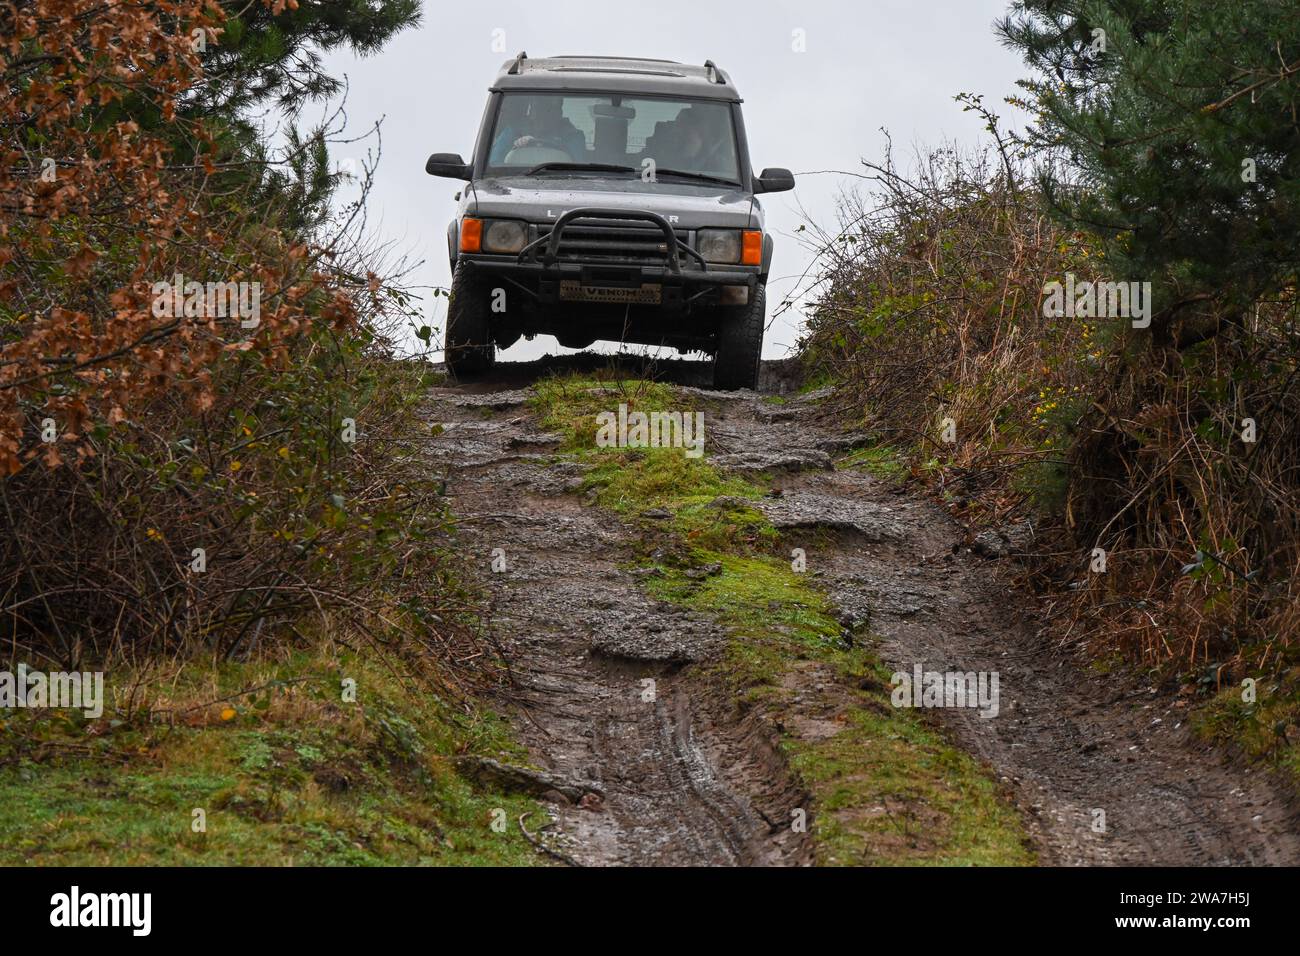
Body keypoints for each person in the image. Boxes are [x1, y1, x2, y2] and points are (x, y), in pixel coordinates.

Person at [489, 96, 586, 164]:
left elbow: (577, 167)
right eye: (537, 108)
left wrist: (535, 142)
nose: (541, 115)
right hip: (516, 179)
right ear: (531, 112)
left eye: (548, 109)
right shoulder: (513, 131)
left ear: (558, 112)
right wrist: (515, 146)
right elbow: (494, 164)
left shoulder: (572, 135)